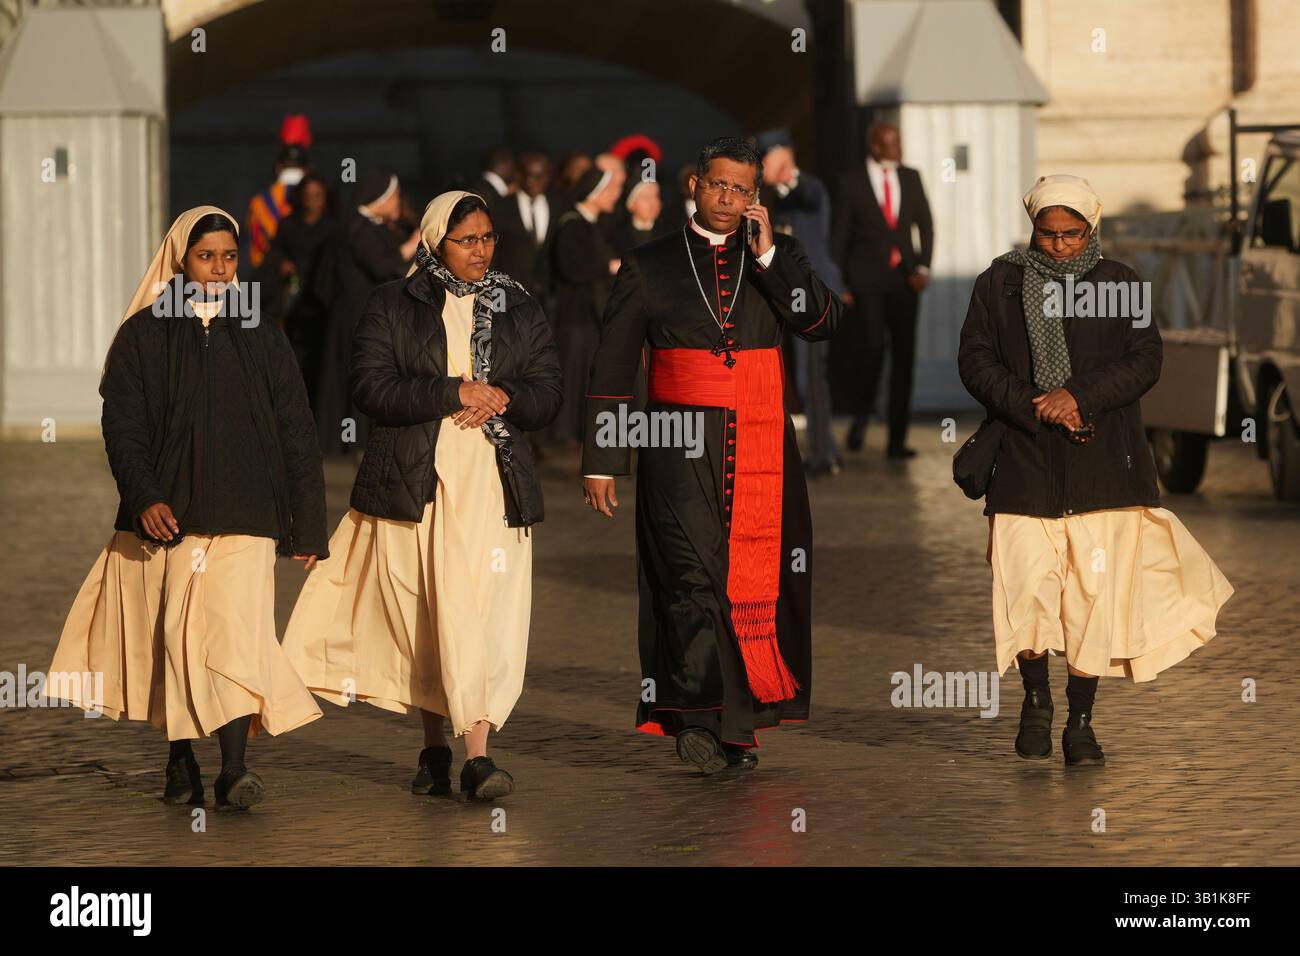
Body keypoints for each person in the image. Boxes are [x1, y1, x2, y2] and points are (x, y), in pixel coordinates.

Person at [43, 206, 329, 809]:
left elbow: (296, 428)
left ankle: (234, 770)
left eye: (229, 256)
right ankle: (180, 756)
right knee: (176, 633)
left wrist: (308, 523)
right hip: (173, 516)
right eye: (206, 257)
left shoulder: (261, 332)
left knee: (237, 635)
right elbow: (123, 427)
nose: (219, 269)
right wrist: (144, 495)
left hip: (249, 511)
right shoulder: (144, 335)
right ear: (181, 260)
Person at [283, 191, 562, 801]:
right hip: (420, 480)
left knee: (488, 615)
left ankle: (476, 755)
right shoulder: (393, 302)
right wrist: (452, 392)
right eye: (468, 240)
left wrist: (504, 396)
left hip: (496, 485)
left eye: (488, 238)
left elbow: (548, 391)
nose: (481, 251)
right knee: (435, 613)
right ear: (437, 242)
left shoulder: (519, 305)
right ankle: (441, 749)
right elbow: (370, 388)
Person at [582, 137, 843, 773]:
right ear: (695, 185)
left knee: (750, 581)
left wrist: (771, 257)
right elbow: (613, 364)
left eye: (741, 189)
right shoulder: (648, 263)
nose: (727, 198)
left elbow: (820, 324)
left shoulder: (779, 255)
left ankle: (738, 724)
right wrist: (603, 458)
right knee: (690, 577)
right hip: (674, 442)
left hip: (762, 438)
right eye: (718, 185)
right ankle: (699, 716)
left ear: (756, 197)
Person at [957, 174, 1234, 766]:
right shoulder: (998, 284)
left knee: (1092, 599)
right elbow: (975, 361)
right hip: (1023, 465)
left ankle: (1080, 722)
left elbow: (1146, 360)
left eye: (1072, 235)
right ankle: (1036, 701)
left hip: (1104, 468)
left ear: (1092, 228)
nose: (1059, 245)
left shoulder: (1121, 283)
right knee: (1026, 589)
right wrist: (1033, 403)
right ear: (1032, 227)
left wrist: (1079, 396)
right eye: (1047, 234)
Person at [833, 121, 934, 458]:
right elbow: (840, 236)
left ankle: (896, 440)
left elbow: (926, 225)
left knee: (904, 359)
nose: (899, 149)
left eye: (899, 142)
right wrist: (840, 282)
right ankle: (862, 415)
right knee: (872, 350)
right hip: (867, 281)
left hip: (905, 281)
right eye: (892, 143)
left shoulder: (911, 177)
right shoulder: (851, 182)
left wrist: (923, 267)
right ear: (875, 146)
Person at [759, 128, 847, 477]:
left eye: (766, 160)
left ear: (782, 156)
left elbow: (807, 196)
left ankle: (823, 454)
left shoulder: (808, 188)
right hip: (787, 296)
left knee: (812, 376)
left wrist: (788, 174)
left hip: (812, 296)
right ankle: (824, 449)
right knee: (800, 377)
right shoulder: (773, 196)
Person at [316, 168, 420, 457]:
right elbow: (381, 265)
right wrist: (412, 243)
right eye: (394, 195)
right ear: (381, 198)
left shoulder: (370, 226)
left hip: (364, 314)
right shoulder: (356, 226)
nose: (398, 200)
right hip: (355, 317)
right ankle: (353, 443)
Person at [552, 163, 625, 446]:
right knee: (572, 372)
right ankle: (564, 433)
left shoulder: (594, 225)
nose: (614, 195)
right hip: (574, 315)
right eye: (609, 189)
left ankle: (583, 430)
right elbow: (571, 268)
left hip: (591, 315)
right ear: (594, 193)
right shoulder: (571, 224)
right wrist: (608, 267)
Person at [261, 170, 338, 407]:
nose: (312, 201)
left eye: (318, 195)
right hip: (295, 300)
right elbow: (274, 253)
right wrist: (282, 264)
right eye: (308, 195)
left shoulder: (334, 226)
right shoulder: (289, 224)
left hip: (324, 301)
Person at [493, 150, 555, 297]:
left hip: (548, 297)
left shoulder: (558, 205)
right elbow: (495, 255)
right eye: (531, 175)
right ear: (519, 175)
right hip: (510, 294)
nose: (536, 181)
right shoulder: (502, 206)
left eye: (542, 176)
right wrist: (497, 299)